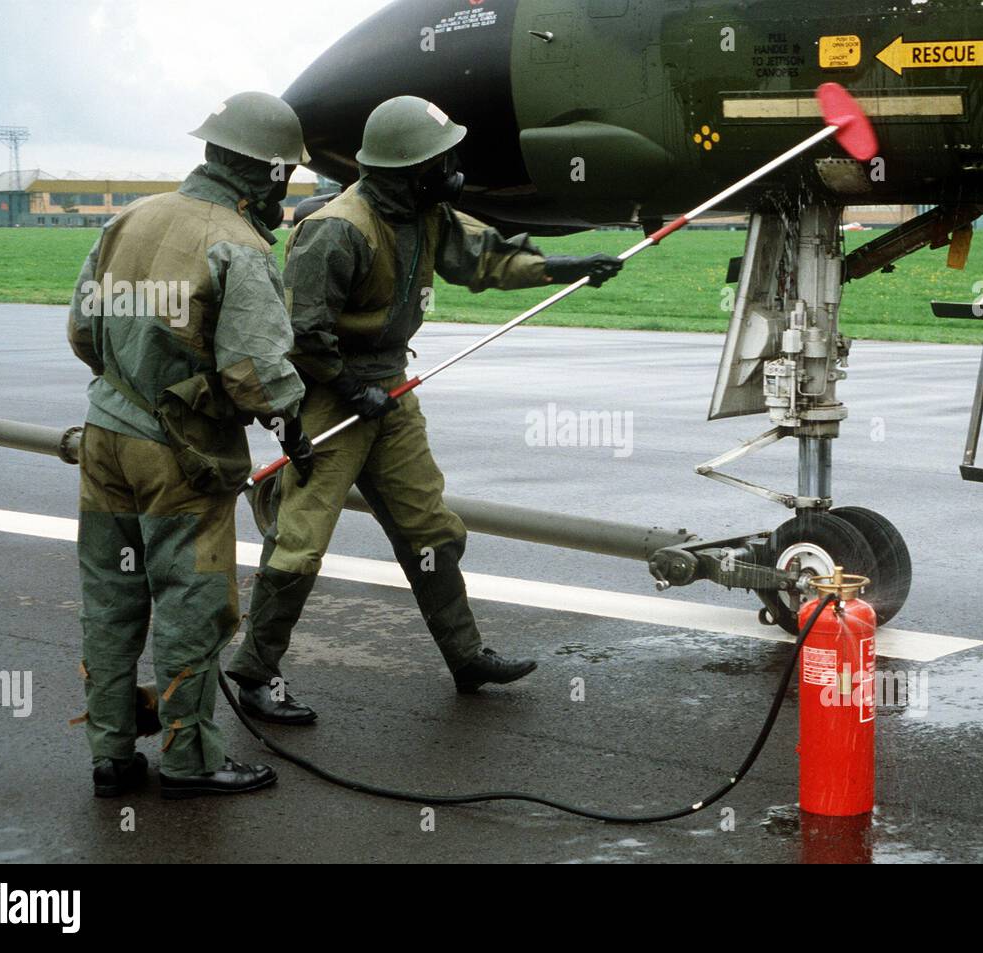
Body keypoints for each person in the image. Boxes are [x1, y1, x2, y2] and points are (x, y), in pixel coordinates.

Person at [226, 95, 623, 723]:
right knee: (299, 543)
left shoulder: (427, 211)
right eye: (443, 159)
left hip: (392, 392)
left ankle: (466, 657)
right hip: (332, 398)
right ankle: (254, 672)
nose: (454, 168)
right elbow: (300, 333)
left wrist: (565, 266)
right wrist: (351, 389)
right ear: (408, 168)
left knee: (430, 531)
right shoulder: (337, 228)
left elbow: (486, 258)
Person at [67, 91, 315, 798]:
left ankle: (113, 754)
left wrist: (131, 383)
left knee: (111, 600)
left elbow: (84, 333)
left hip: (105, 438)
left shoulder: (128, 219)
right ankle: (190, 759)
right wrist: (291, 422)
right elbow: (254, 370)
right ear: (268, 175)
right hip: (179, 457)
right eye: (284, 176)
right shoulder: (237, 245)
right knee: (191, 605)